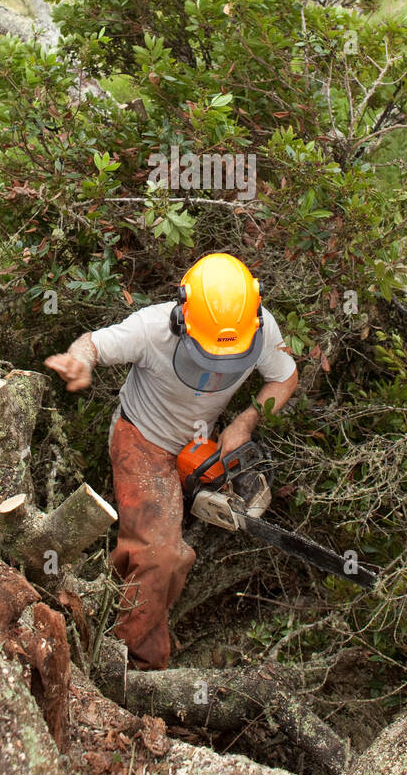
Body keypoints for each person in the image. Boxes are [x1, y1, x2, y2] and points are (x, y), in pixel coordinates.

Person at [45, 252, 298, 670]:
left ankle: (128, 595)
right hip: (142, 439)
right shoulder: (151, 328)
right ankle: (129, 663)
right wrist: (79, 362)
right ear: (182, 315)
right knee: (161, 556)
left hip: (202, 443)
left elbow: (285, 377)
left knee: (223, 515)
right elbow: (93, 343)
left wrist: (243, 425)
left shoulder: (259, 326)